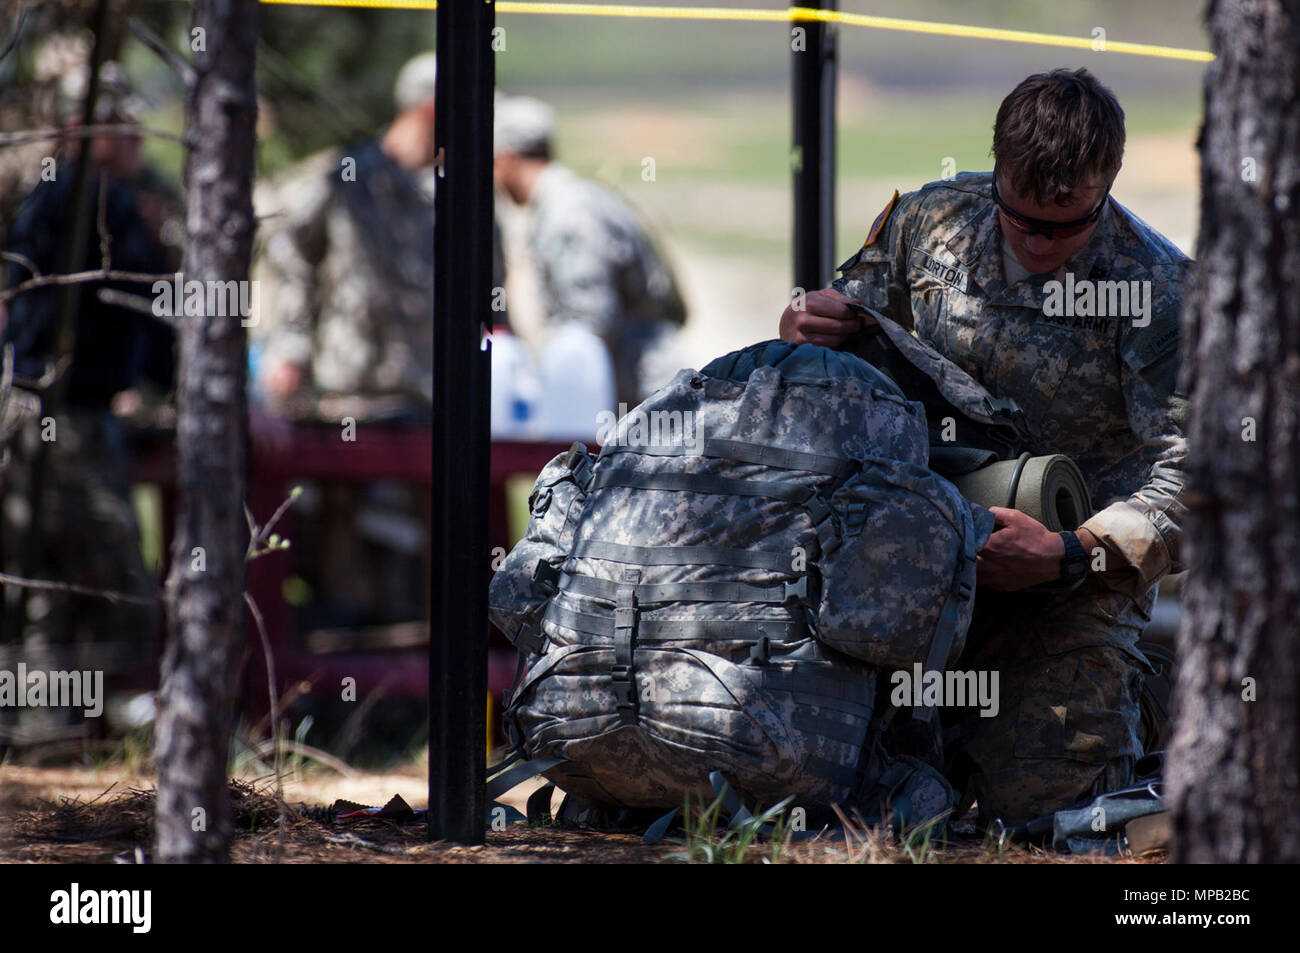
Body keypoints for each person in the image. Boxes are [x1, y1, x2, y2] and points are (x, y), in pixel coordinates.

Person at [779, 68, 1190, 829]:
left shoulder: (1157, 289)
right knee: (823, 778)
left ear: (1108, 184)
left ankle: (1143, 721)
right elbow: (852, 336)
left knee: (1044, 813)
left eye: (1065, 225)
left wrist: (1070, 552)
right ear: (996, 172)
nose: (1037, 243)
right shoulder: (930, 220)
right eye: (1019, 217)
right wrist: (809, 325)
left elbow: (1198, 477)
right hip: (911, 557)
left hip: (1066, 589)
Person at [1, 61, 175, 711]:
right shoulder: (98, 198)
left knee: (46, 584)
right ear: (83, 127)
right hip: (65, 418)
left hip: (35, 411)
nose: (135, 139)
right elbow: (146, 307)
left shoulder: (50, 191)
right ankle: (106, 720)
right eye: (120, 126)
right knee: (119, 584)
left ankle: (45, 727)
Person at [493, 94, 687, 410]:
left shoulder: (566, 213)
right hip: (634, 390)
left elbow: (587, 319)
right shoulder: (572, 200)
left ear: (508, 159)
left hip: (642, 396)